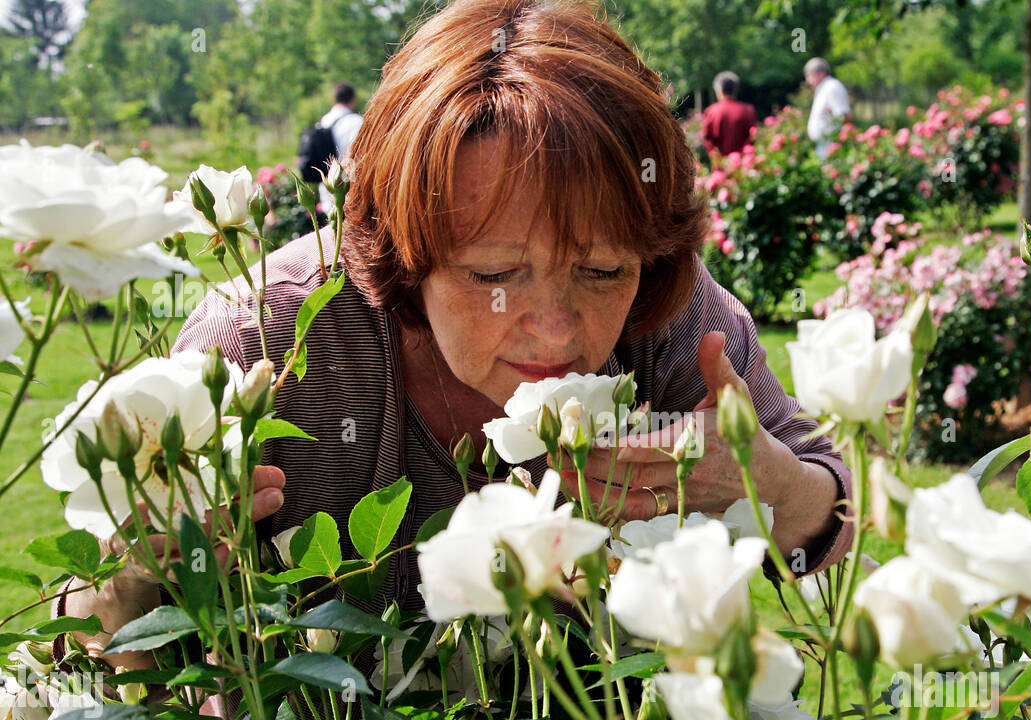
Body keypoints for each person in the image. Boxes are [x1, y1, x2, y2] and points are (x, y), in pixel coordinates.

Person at [64, 0, 854, 667]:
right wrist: (139, 583)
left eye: (601, 271)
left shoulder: (670, 317)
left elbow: (833, 520)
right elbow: (100, 660)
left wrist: (776, 489)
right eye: (492, 275)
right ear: (406, 252)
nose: (555, 329)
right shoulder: (261, 342)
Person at [316, 82, 364, 215]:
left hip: (326, 188)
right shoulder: (356, 122)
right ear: (353, 100)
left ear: (334, 99)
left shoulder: (323, 121)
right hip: (350, 189)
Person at [803, 57, 851, 159]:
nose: (807, 80)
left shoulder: (832, 87)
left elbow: (844, 115)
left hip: (832, 144)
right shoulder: (823, 88)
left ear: (821, 73)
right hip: (824, 144)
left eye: (809, 75)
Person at [701, 70, 756, 157]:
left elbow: (708, 139)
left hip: (720, 165)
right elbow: (752, 137)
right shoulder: (748, 110)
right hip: (743, 165)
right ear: (736, 90)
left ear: (719, 92)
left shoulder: (711, 111)